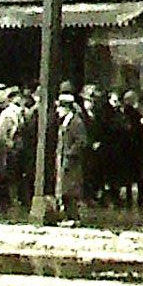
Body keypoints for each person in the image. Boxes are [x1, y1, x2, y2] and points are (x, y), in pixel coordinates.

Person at [55, 86, 88, 217]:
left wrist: (70, 153)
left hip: (71, 162)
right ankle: (68, 215)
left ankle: (73, 216)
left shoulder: (76, 122)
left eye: (60, 108)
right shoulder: (66, 122)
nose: (58, 111)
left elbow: (81, 141)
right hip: (64, 158)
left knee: (70, 189)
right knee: (65, 189)